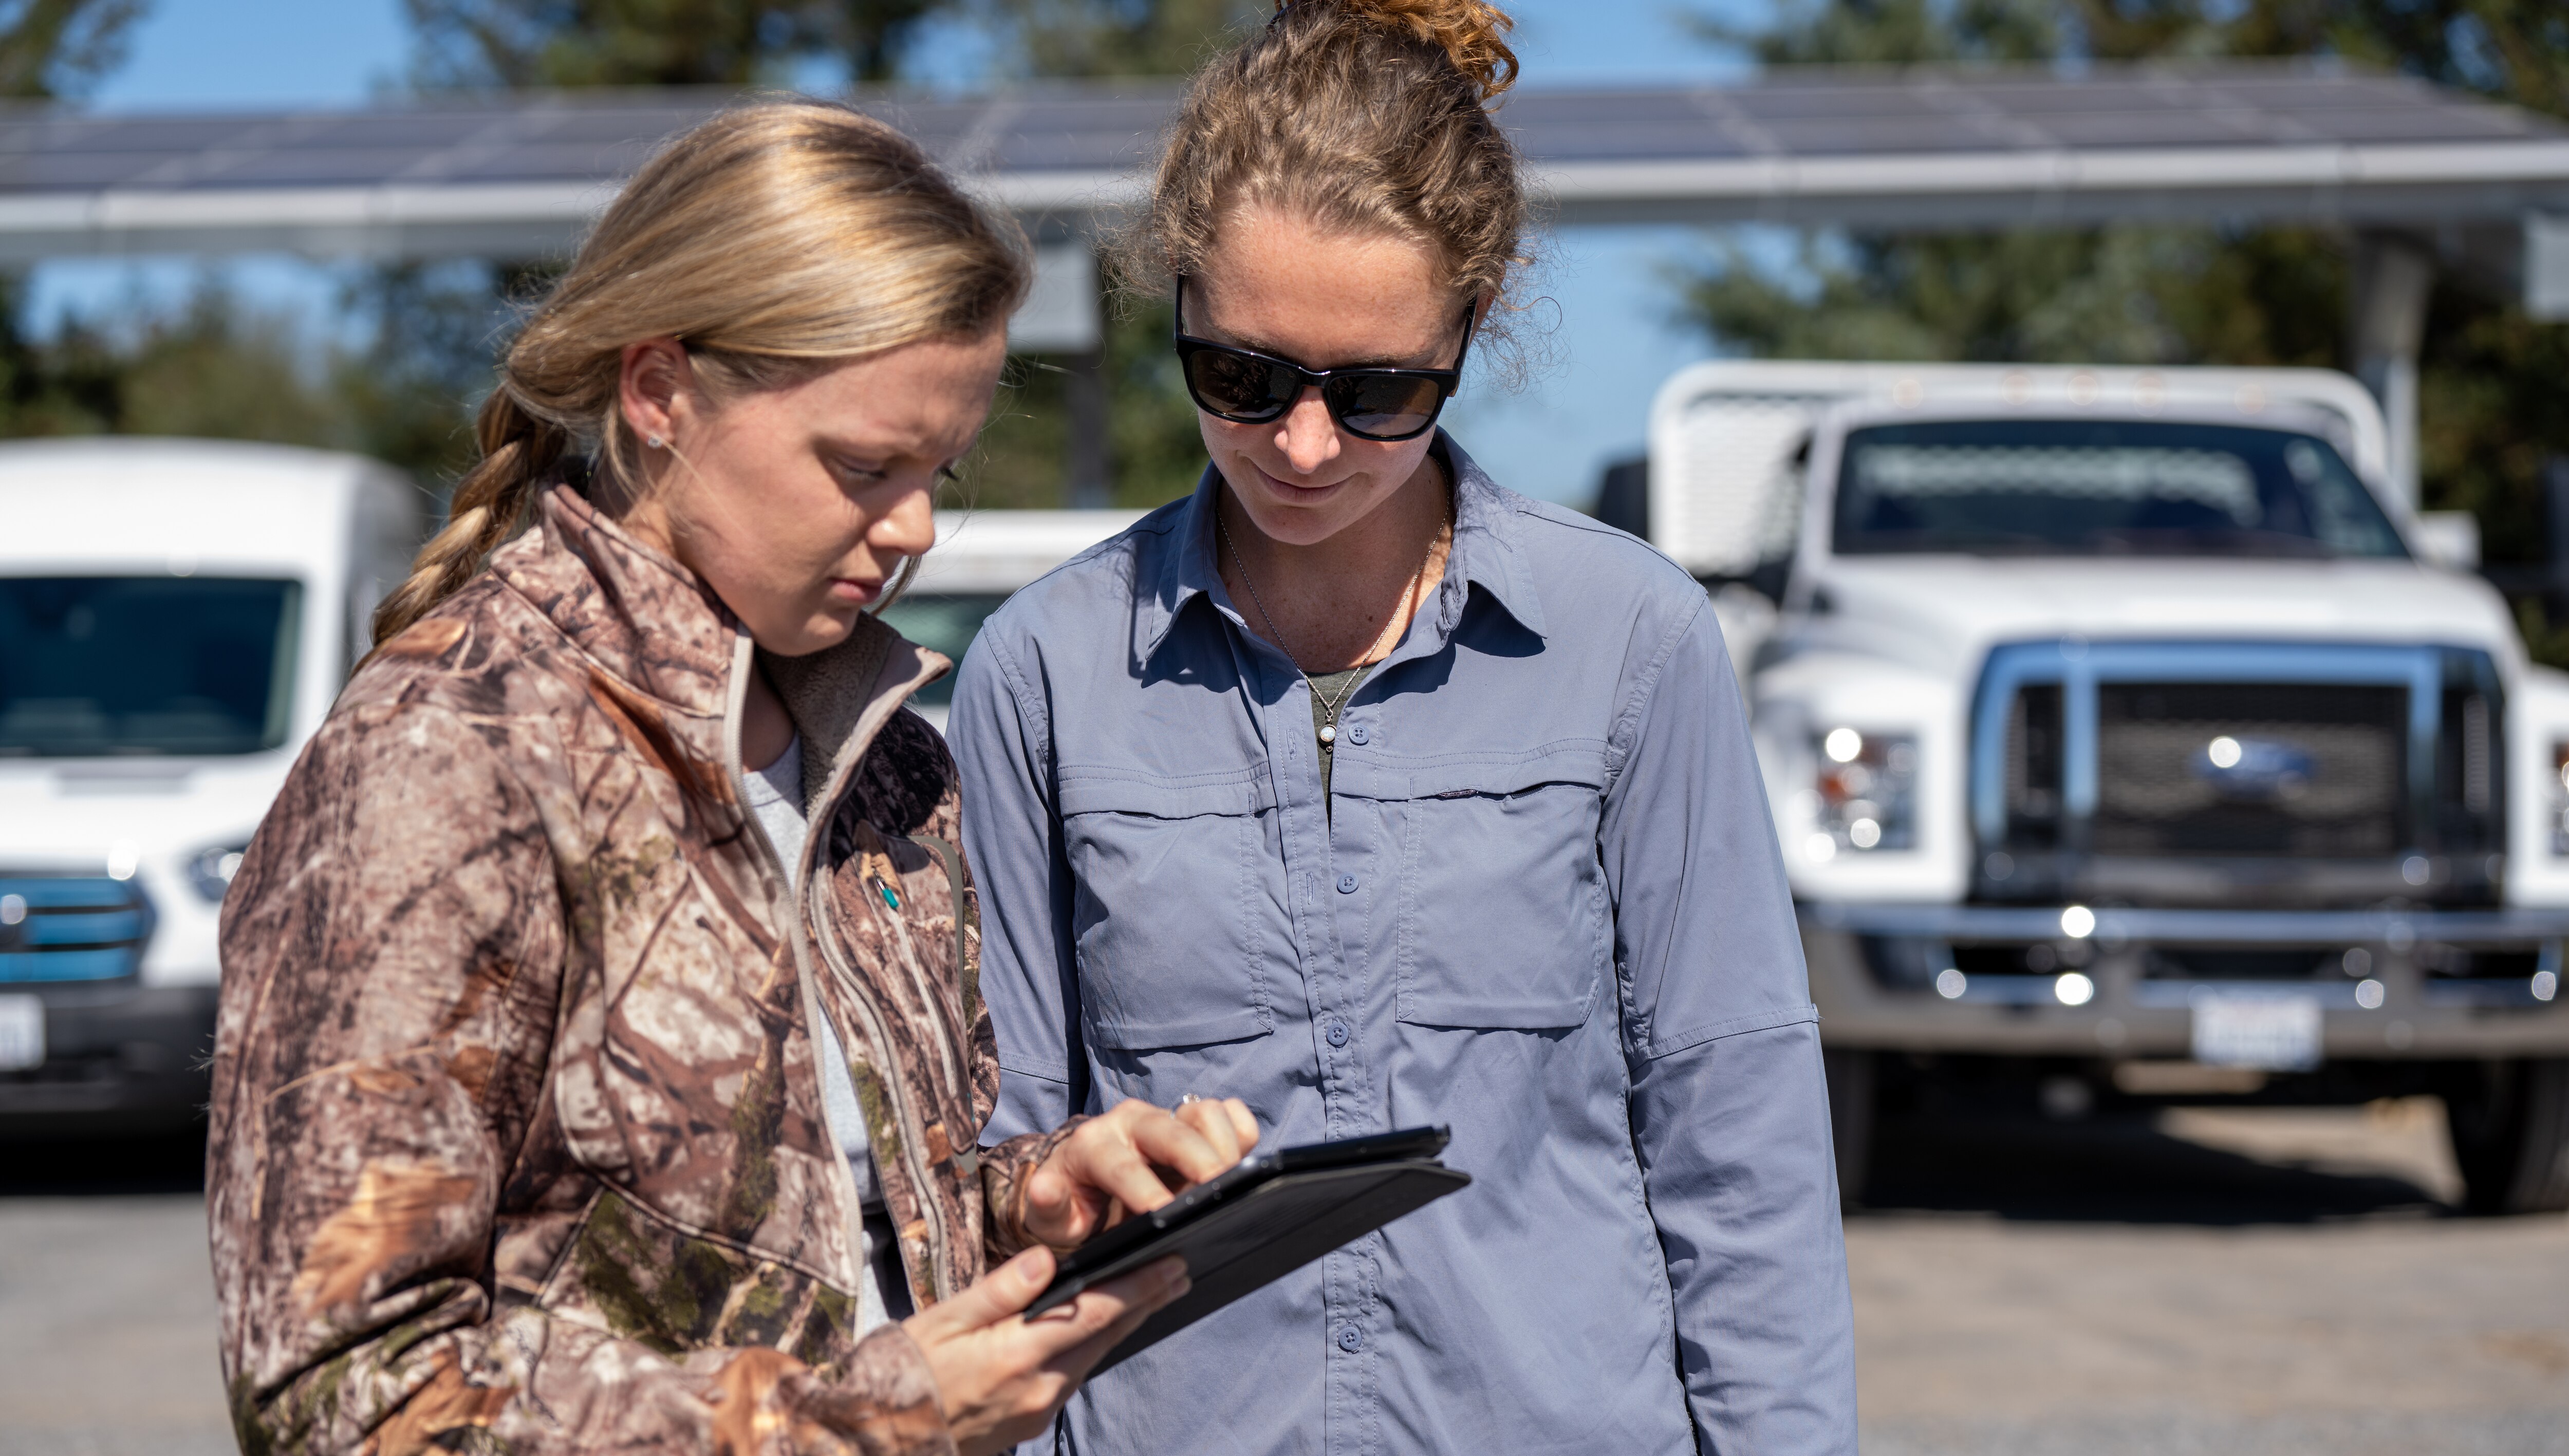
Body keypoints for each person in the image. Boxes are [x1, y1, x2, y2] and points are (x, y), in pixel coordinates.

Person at [205, 102, 1258, 1456]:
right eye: (864, 465)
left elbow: (835, 1241)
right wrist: (854, 1421)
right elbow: (341, 1394)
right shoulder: (446, 758)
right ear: (660, 394)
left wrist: (1032, 1199)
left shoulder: (887, 762)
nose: (920, 525)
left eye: (940, 471)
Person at [949, 2, 1858, 1452]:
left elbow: (1735, 1135)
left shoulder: (1634, 640)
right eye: (1241, 377)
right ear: (1175, 300)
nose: (1304, 447)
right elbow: (989, 1161)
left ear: (1474, 329)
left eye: (1379, 393)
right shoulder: (1039, 671)